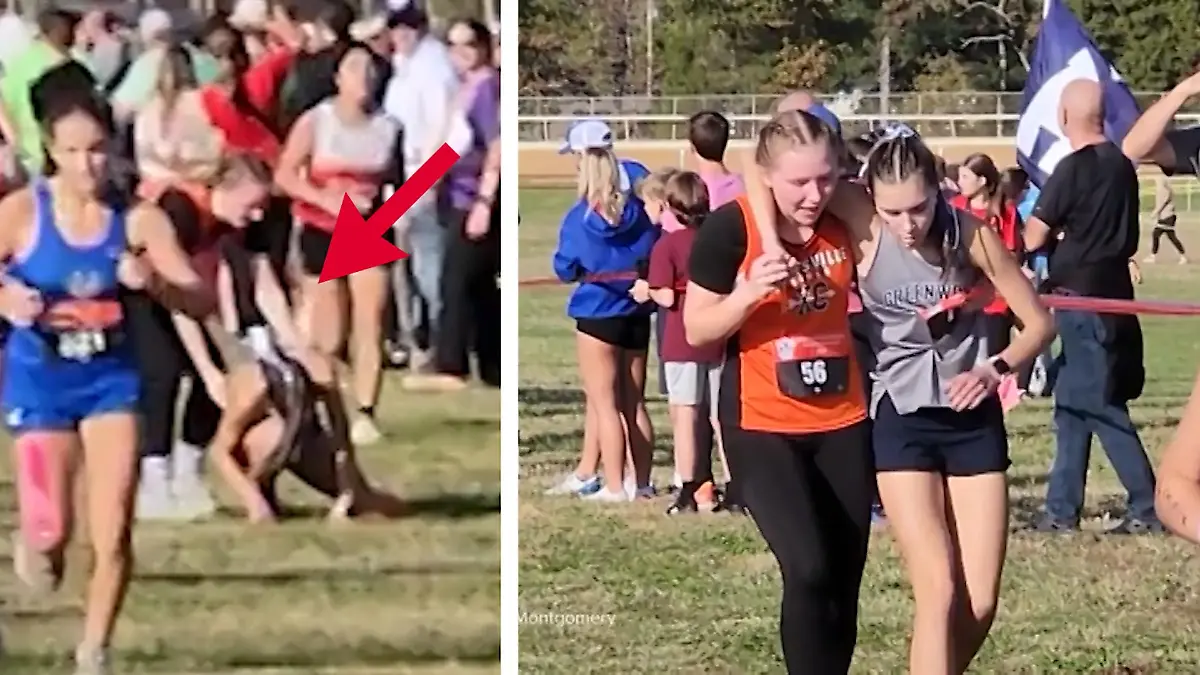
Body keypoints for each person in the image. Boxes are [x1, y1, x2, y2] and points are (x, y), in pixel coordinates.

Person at [1, 90, 214, 675]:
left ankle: (94, 653)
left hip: (110, 386)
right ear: (50, 151)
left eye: (97, 150)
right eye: (73, 151)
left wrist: (153, 281)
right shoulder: (22, 212)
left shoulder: (139, 219)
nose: (87, 165)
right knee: (51, 532)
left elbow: (202, 297)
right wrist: (5, 296)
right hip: (38, 386)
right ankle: (36, 543)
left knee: (113, 530)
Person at [684, 111, 872, 674]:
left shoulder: (841, 217)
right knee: (808, 569)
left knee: (843, 579)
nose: (814, 194)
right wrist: (748, 294)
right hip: (762, 425)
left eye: (824, 178)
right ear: (766, 176)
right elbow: (697, 329)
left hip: (843, 418)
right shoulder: (730, 228)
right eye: (798, 182)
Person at [1024, 79, 1160, 535]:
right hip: (1115, 294)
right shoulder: (1123, 166)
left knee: (1100, 404)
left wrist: (1055, 234)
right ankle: (1061, 511)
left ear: (1065, 117)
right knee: (1071, 405)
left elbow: (1034, 235)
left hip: (1080, 299)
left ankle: (1149, 505)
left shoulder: (1072, 168)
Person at [274, 42, 403, 446]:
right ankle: (324, 409)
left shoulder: (389, 126)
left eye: (370, 70)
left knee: (372, 321)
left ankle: (366, 412)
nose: (363, 78)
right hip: (323, 229)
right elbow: (284, 175)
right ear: (337, 78)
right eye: (354, 70)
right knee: (329, 333)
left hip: (369, 231)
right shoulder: (317, 121)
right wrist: (324, 198)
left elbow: (396, 183)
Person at [128, 44, 230, 521]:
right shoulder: (180, 206)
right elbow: (179, 293)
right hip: (160, 277)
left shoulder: (149, 115)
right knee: (168, 371)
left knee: (165, 374)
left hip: (179, 270)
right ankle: (162, 474)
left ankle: (175, 471)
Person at [550, 128, 658, 503]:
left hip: (597, 314)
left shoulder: (578, 219)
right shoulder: (641, 215)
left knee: (604, 403)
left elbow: (564, 267)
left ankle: (614, 486)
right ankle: (641, 483)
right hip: (637, 311)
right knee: (635, 402)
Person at [404, 19, 501, 392]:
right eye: (453, 44)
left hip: (474, 198)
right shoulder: (465, 87)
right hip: (454, 195)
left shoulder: (488, 88)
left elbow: (496, 146)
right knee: (476, 286)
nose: (460, 52)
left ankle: (451, 364)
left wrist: (483, 201)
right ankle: (489, 366)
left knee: (456, 282)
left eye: (469, 44)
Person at [381, 1, 459, 370]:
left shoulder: (434, 67)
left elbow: (445, 129)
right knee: (407, 267)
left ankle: (440, 345)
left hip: (421, 174)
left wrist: (429, 181)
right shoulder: (405, 65)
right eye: (394, 26)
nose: (398, 34)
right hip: (400, 175)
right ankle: (416, 341)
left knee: (430, 266)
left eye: (405, 26)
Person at [645, 171, 727, 514]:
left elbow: (664, 297)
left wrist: (646, 289)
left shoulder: (667, 245)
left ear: (670, 207)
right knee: (721, 416)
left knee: (686, 415)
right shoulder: (719, 241)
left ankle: (690, 487)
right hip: (718, 336)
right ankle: (734, 483)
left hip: (682, 339)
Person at [950, 153, 1022, 355]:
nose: (959, 182)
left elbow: (1013, 253)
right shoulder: (953, 207)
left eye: (965, 177)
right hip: (960, 300)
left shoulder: (1004, 211)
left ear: (982, 181)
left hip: (996, 302)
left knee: (992, 364)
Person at [1144, 173, 1186, 264]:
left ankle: (1153, 256)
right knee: (1166, 235)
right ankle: (1182, 256)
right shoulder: (1165, 190)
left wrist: (1155, 212)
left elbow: (1162, 203)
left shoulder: (1164, 190)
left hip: (1167, 216)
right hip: (1167, 216)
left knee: (1159, 234)